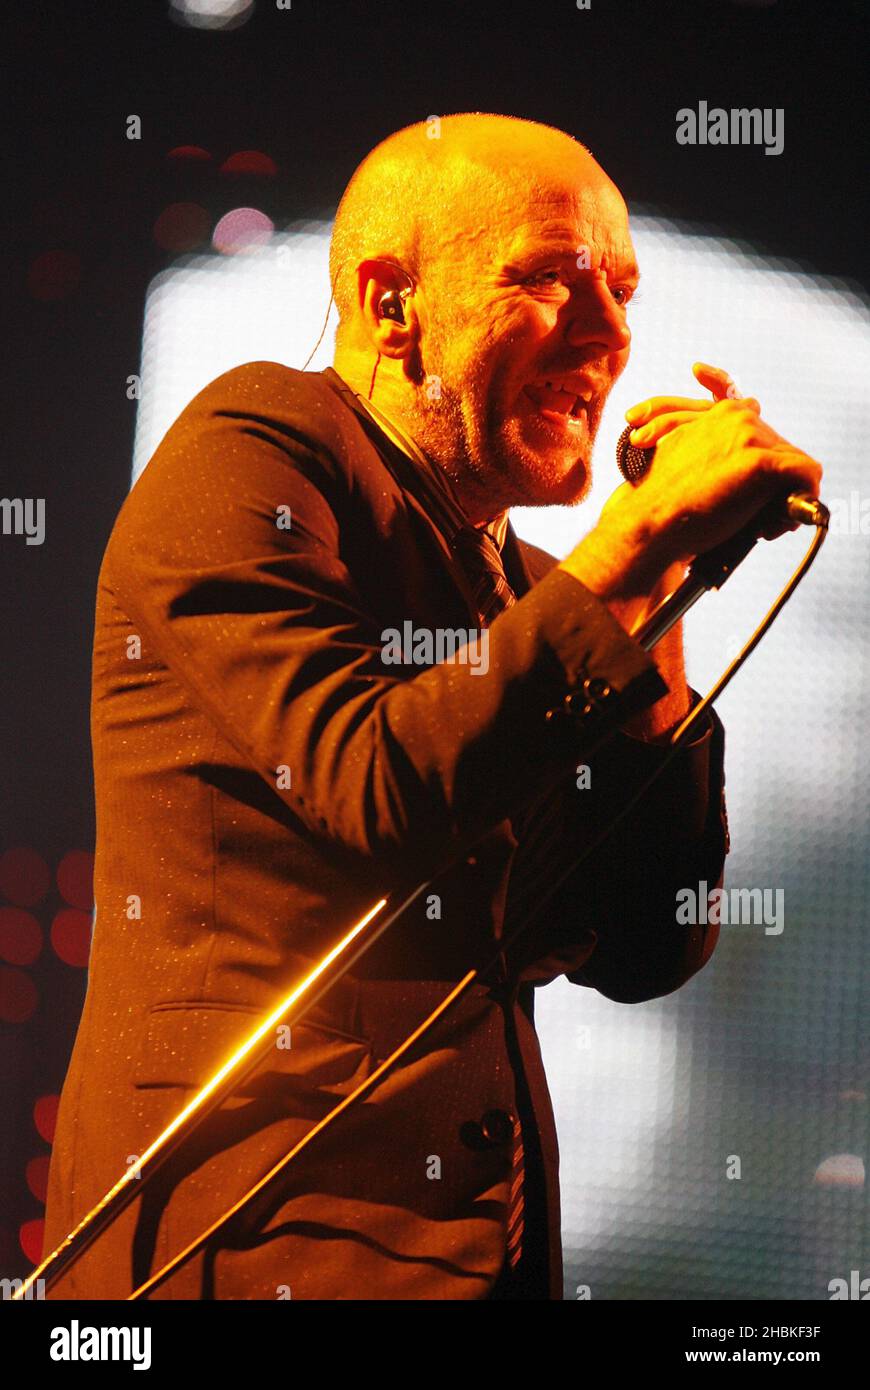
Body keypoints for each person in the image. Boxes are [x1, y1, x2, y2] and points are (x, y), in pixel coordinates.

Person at [41, 113, 821, 1300]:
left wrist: (658, 594)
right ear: (392, 302)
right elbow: (378, 785)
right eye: (552, 278)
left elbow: (644, 942)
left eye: (621, 291)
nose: (611, 332)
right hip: (255, 1239)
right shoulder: (259, 450)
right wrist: (634, 546)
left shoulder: (540, 595)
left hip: (482, 1256)